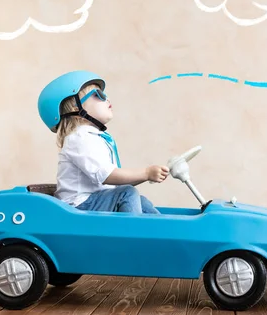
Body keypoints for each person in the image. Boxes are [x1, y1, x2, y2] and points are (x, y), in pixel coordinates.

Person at [37, 70, 168, 214]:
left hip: (95, 201)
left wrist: (147, 175)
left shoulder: (94, 137)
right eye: (98, 95)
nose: (107, 99)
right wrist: (146, 173)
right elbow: (107, 176)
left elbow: (113, 183)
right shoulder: (79, 138)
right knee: (127, 194)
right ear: (76, 108)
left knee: (139, 200)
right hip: (78, 206)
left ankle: (163, 232)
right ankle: (133, 235)